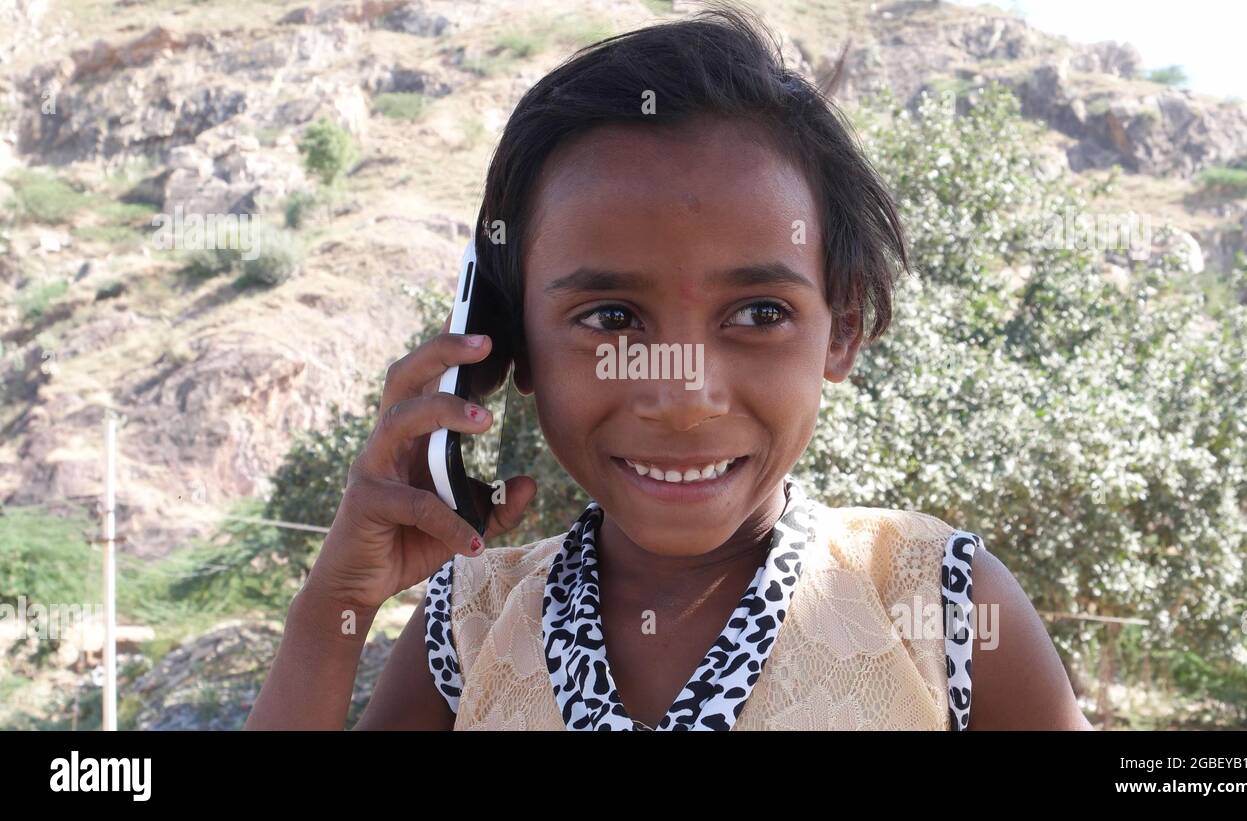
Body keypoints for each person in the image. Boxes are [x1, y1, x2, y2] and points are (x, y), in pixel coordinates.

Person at [246, 3, 1091, 731]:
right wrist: (333, 611)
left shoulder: (936, 604)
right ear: (511, 346)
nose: (684, 397)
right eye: (611, 317)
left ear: (845, 325)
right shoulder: (466, 629)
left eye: (759, 313)